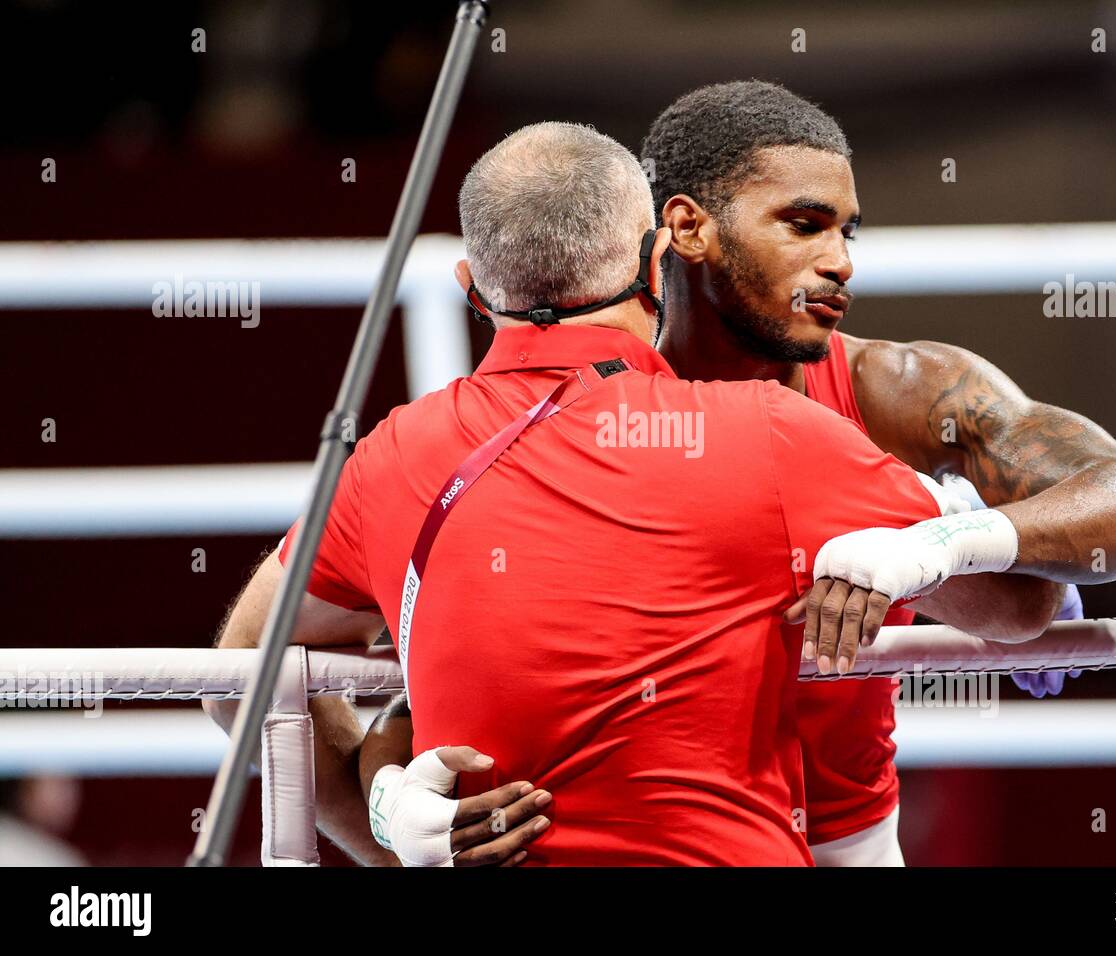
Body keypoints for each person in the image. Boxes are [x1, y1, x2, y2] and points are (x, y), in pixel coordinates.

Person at [357, 81, 1116, 867]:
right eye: (804, 224)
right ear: (685, 229)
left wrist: (954, 540)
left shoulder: (895, 389)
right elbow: (463, 657)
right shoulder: (571, 417)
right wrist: (386, 798)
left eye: (848, 231)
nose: (841, 262)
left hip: (852, 834)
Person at [208, 122, 1061, 866]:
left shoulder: (393, 455)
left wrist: (387, 826)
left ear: (472, 290)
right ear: (658, 258)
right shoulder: (770, 431)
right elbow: (1024, 608)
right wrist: (937, 540)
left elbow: (240, 673)